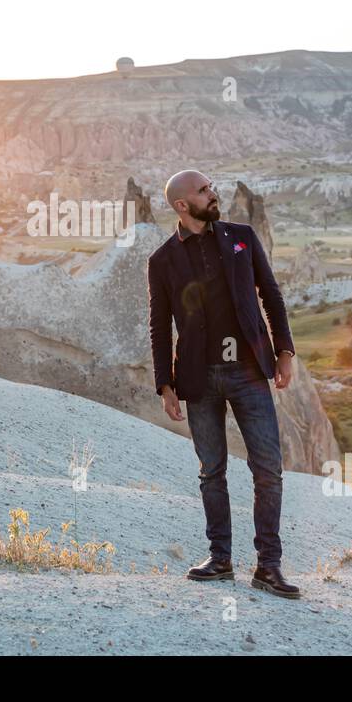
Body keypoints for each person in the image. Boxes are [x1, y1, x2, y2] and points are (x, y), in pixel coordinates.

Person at [147, 169, 301, 599]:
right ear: (182, 205)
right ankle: (220, 558)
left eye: (211, 187)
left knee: (267, 468)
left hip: (249, 371)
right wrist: (165, 383)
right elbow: (159, 326)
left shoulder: (242, 237)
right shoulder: (162, 260)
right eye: (203, 190)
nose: (213, 194)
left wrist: (284, 352)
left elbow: (271, 295)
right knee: (211, 472)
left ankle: (268, 566)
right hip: (198, 379)